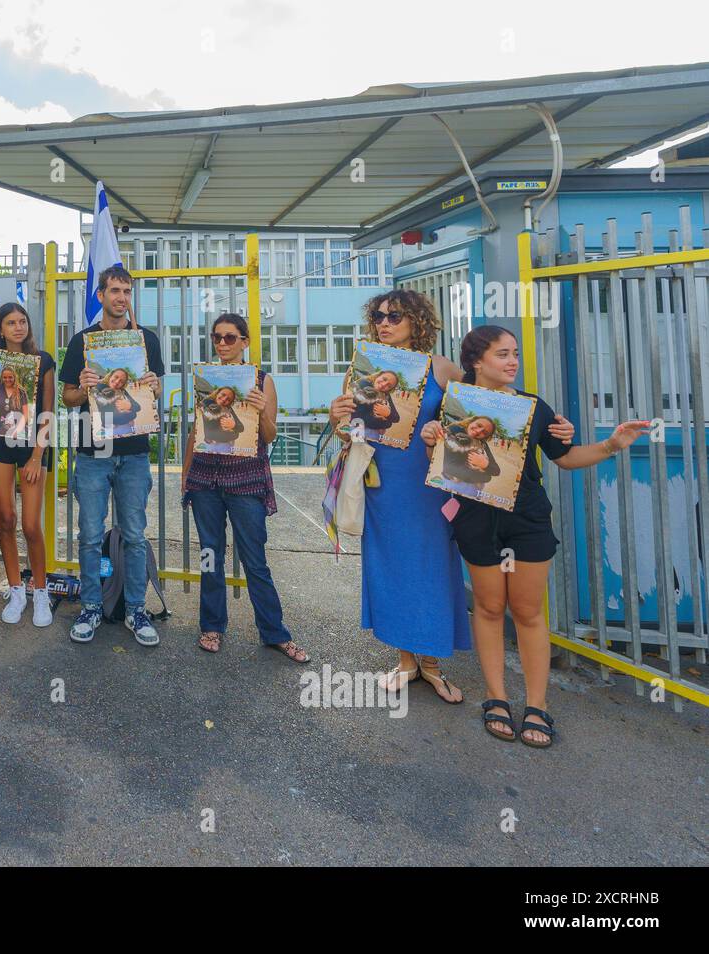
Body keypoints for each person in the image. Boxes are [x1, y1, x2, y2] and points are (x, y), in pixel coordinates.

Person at [421, 324, 647, 748]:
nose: (512, 362)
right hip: (475, 518)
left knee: (527, 611)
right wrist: (430, 437)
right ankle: (497, 697)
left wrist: (612, 444)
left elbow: (565, 458)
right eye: (502, 354)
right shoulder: (454, 406)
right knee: (488, 608)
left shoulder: (532, 406)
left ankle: (538, 705)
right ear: (475, 361)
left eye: (515, 354)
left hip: (526, 520)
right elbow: (440, 461)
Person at [330, 291, 484, 703]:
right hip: (383, 481)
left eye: (394, 316)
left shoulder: (443, 368)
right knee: (391, 566)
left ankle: (432, 664)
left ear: (417, 320)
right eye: (378, 316)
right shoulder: (363, 368)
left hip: (429, 484)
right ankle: (405, 662)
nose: (384, 322)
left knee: (434, 565)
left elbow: (477, 416)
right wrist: (336, 418)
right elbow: (350, 432)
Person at [184, 314, 306, 660]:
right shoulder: (206, 380)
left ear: (245, 341)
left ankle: (274, 632)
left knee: (255, 560)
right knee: (210, 555)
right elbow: (197, 432)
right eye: (217, 337)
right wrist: (186, 476)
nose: (223, 344)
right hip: (206, 479)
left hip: (246, 480)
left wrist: (262, 410)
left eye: (230, 338)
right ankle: (211, 626)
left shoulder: (261, 381)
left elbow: (269, 435)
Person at [58, 265, 164, 647]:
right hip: (92, 450)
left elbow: (156, 396)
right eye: (114, 290)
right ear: (99, 295)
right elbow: (67, 398)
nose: (121, 297)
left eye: (127, 291)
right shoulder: (82, 342)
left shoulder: (145, 341)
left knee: (135, 535)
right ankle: (91, 607)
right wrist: (83, 387)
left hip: (134, 451)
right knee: (89, 535)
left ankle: (136, 609)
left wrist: (153, 385)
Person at [0, 303, 55, 627]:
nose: (18, 327)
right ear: (0, 329)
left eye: (22, 321)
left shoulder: (42, 361)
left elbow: (47, 412)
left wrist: (36, 456)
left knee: (31, 525)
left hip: (31, 447)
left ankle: (41, 591)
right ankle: (16, 590)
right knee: (6, 519)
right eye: (10, 322)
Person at [438, 415, 501, 494]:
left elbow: (496, 470)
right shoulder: (455, 430)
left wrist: (485, 464)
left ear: (486, 437)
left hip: (475, 488)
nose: (478, 431)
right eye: (479, 425)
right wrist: (486, 477)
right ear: (472, 421)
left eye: (484, 433)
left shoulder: (482, 443)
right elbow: (449, 468)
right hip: (453, 485)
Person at [91, 367, 143, 438]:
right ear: (110, 375)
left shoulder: (123, 391)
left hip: (127, 428)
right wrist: (132, 413)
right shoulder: (101, 387)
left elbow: (138, 407)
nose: (117, 382)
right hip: (111, 429)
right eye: (116, 377)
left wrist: (129, 406)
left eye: (121, 381)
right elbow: (112, 416)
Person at [350, 369, 401, 438]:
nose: (383, 385)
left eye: (389, 386)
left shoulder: (386, 394)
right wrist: (388, 422)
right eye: (384, 379)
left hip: (373, 434)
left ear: (389, 390)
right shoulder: (363, 384)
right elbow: (360, 418)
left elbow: (396, 418)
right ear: (378, 375)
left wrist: (388, 414)